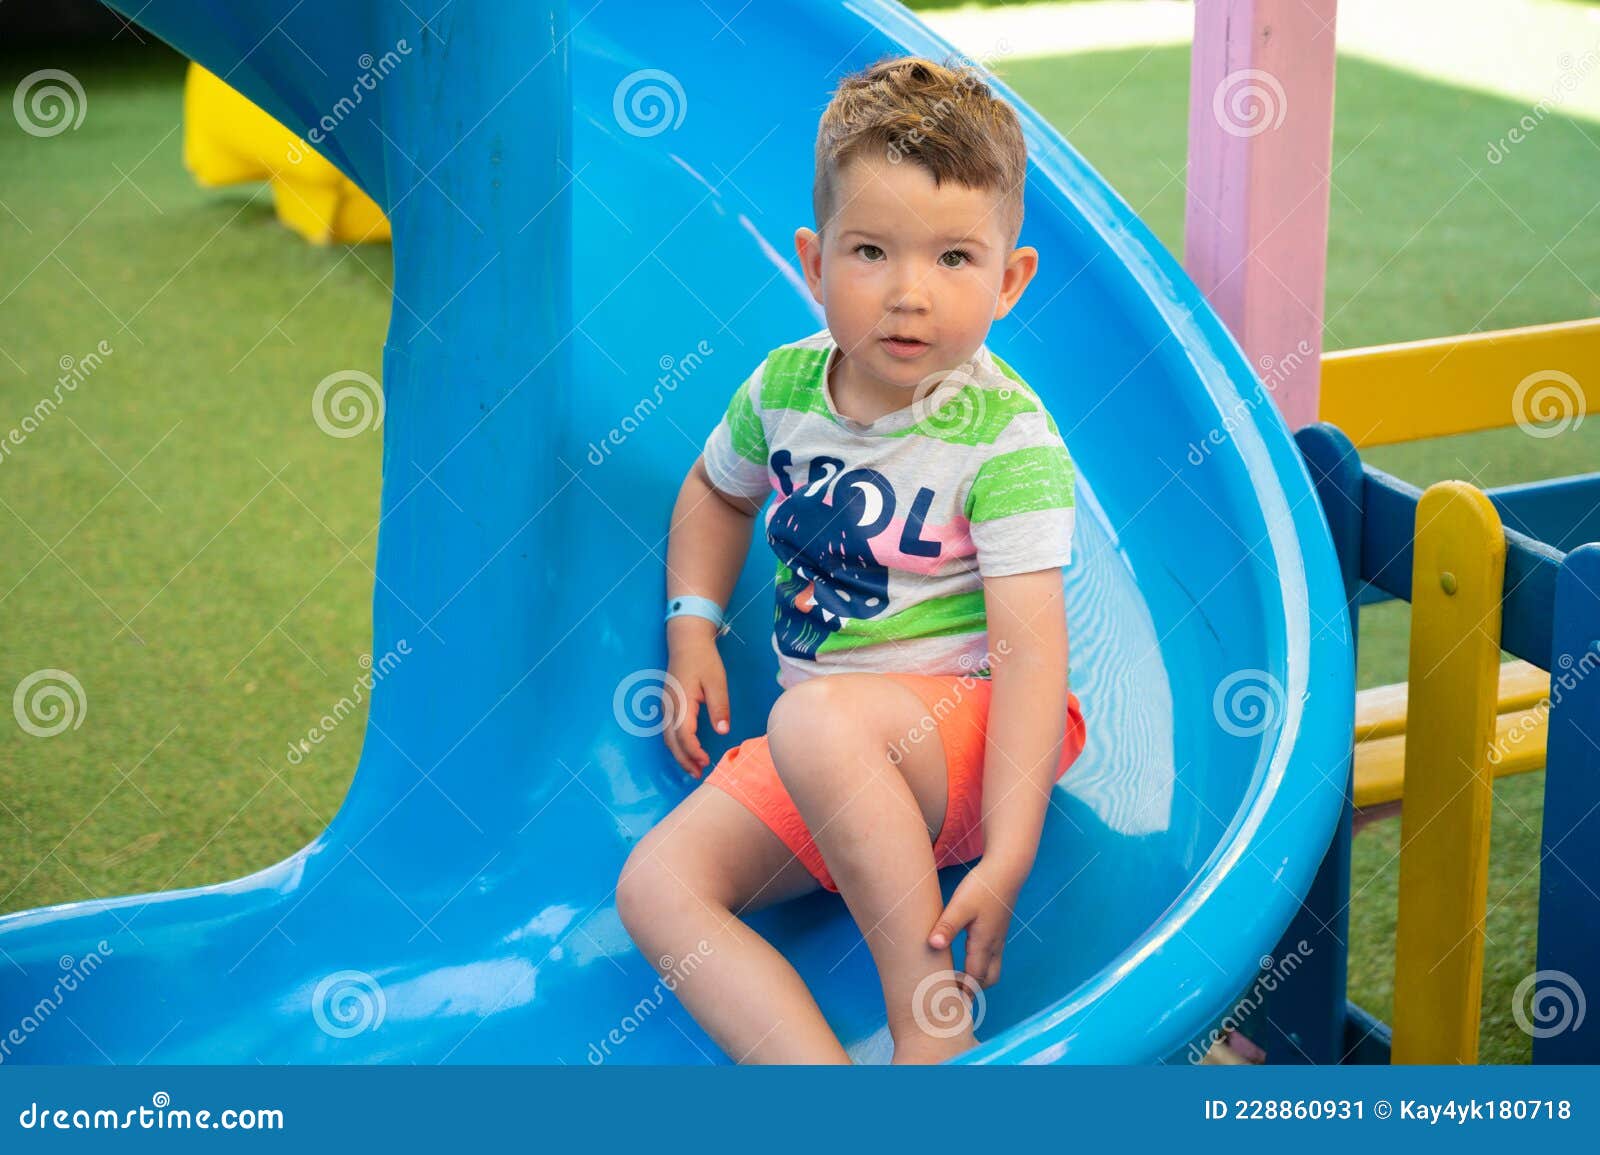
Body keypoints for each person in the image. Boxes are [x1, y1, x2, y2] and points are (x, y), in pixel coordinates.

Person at [616, 55, 1086, 1065]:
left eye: (953, 259)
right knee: (656, 887)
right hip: (829, 765)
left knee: (814, 719)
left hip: (970, 744)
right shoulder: (783, 389)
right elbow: (716, 491)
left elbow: (1032, 655)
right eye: (871, 251)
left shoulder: (1005, 439)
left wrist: (1009, 850)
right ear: (815, 262)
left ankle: (929, 1029)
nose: (909, 295)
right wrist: (692, 627)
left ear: (1009, 281)